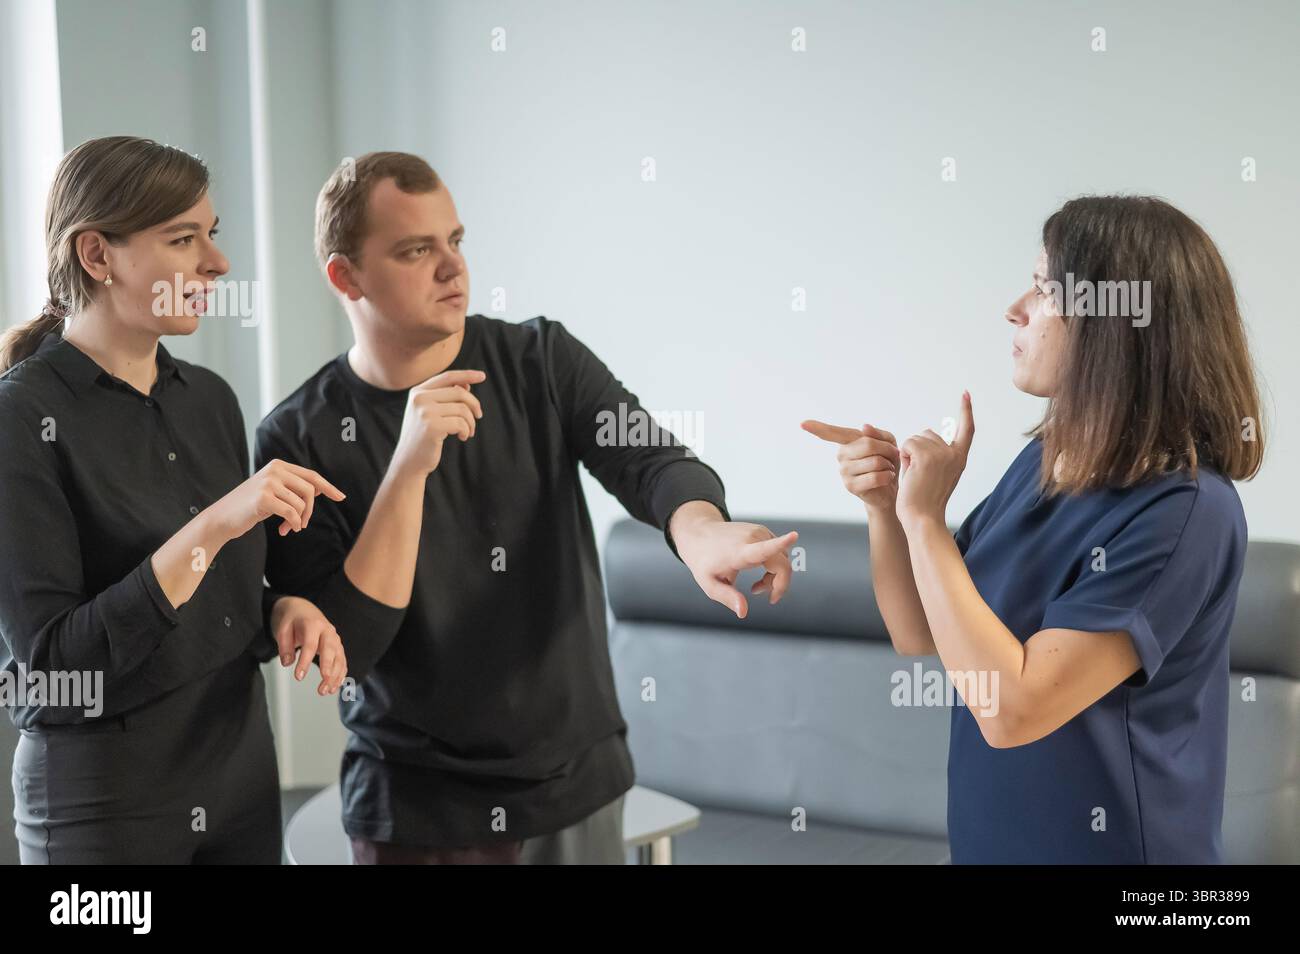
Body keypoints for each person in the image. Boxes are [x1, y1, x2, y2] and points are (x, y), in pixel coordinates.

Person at [257, 151, 800, 864]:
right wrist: (408, 468)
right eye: (417, 250)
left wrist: (701, 534)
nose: (453, 268)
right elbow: (348, 650)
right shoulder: (296, 437)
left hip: (574, 786)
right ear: (345, 275)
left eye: (455, 241)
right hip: (416, 808)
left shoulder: (539, 359)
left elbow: (652, 461)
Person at [804, 195, 1264, 863]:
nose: (1016, 307)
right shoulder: (1044, 463)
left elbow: (1013, 709)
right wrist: (888, 507)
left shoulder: (1186, 512)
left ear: (1119, 324)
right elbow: (921, 634)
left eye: (1046, 289)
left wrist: (925, 520)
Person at [0, 135, 349, 863]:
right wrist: (214, 527)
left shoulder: (211, 401)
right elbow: (49, 675)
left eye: (211, 236)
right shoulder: (20, 420)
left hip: (241, 776)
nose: (217, 263)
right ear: (97, 255)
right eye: (183, 239)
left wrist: (277, 608)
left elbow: (210, 605)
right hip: (103, 807)